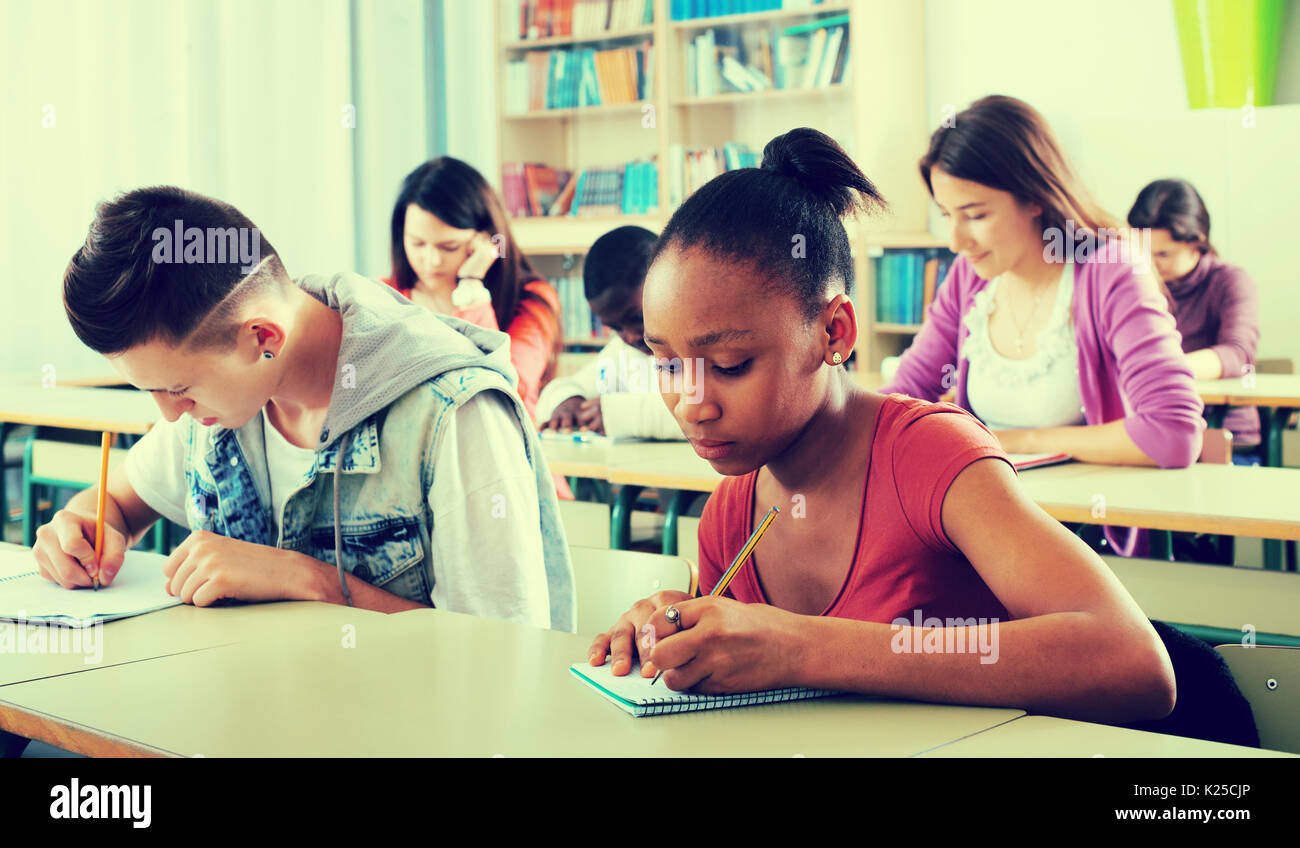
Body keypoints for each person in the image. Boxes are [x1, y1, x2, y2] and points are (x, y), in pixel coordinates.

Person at [586, 128, 1182, 728]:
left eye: (729, 365)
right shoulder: (729, 514)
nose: (691, 404)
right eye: (666, 363)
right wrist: (684, 639)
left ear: (835, 333)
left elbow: (1133, 664)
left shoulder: (932, 460)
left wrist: (802, 647)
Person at [36, 186, 574, 631]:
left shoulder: (453, 413)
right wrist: (87, 525)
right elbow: (120, 504)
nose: (170, 414)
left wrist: (307, 580)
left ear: (263, 336)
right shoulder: (226, 395)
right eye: (150, 391)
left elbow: (501, 651)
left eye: (177, 388)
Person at [879, 95, 1206, 557]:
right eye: (948, 216)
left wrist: (1020, 442)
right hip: (981, 529)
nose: (956, 240)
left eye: (976, 215)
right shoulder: (972, 278)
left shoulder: (1109, 271)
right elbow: (904, 395)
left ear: (1035, 196)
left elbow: (1173, 434)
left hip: (1088, 540)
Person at [384, 157, 562, 420]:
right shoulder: (385, 297)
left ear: (486, 238)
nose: (432, 261)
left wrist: (471, 287)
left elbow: (510, 392)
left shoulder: (530, 298)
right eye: (418, 244)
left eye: (449, 247)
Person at [1128, 178, 1261, 462]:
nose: (1151, 264)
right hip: (1152, 435)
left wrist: (1159, 370)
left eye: (1163, 254)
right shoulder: (1134, 284)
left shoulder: (1229, 281)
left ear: (1197, 243)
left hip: (1226, 440)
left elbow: (1238, 355)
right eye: (1143, 253)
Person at [537, 225, 683, 439]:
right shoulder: (625, 351)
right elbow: (560, 389)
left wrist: (618, 415)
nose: (630, 337)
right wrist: (568, 402)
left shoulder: (703, 343)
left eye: (637, 319)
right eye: (616, 328)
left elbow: (707, 415)